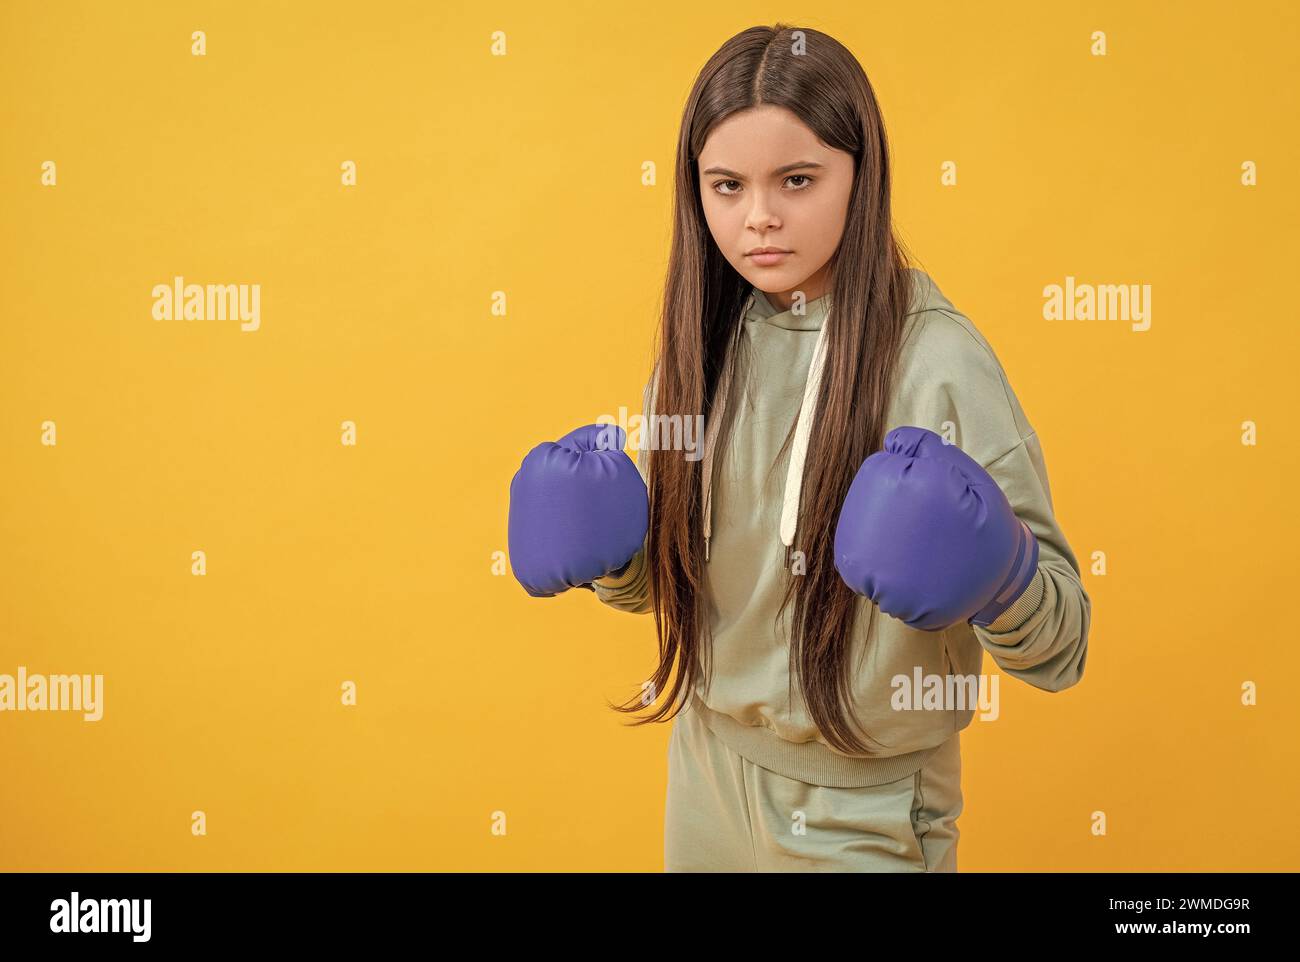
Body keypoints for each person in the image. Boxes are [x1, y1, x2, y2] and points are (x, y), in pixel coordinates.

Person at [507, 23, 1090, 872]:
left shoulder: (936, 362)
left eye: (798, 180)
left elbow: (1063, 645)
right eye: (727, 186)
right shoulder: (702, 341)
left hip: (868, 806)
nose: (759, 218)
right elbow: (668, 590)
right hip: (704, 770)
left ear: (863, 175)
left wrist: (1000, 574)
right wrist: (613, 553)